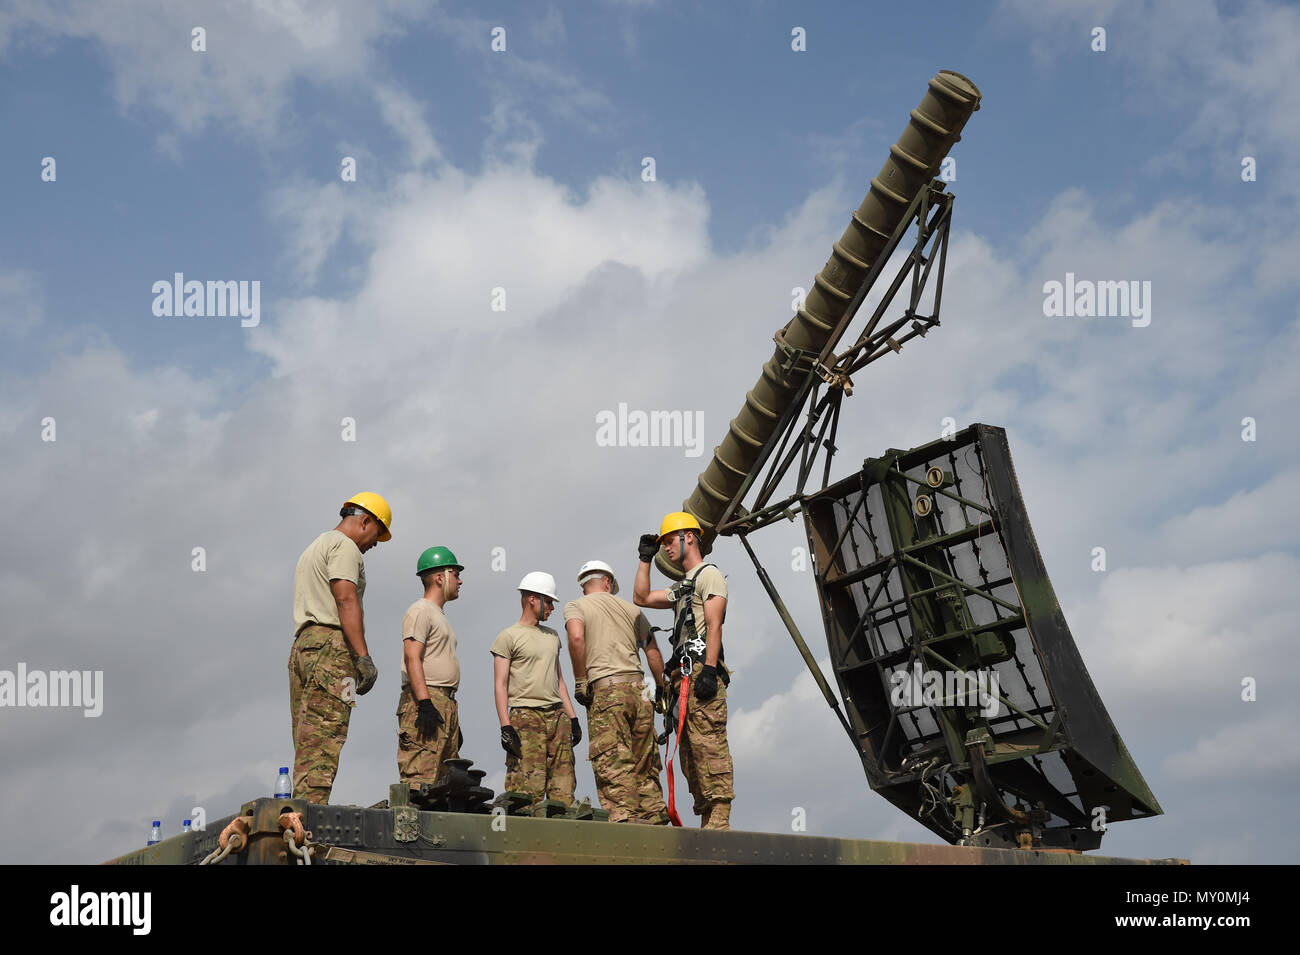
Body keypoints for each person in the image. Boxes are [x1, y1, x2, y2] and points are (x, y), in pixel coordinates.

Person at [288, 492, 392, 803]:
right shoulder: (346, 548)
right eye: (377, 535)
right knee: (326, 734)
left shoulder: (315, 546)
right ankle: (311, 813)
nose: (374, 544)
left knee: (308, 734)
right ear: (366, 521)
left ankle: (301, 804)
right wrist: (362, 657)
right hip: (332, 648)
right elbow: (345, 598)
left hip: (304, 646)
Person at [633, 512, 734, 830]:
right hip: (681, 678)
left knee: (709, 743)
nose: (666, 548)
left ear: (689, 536)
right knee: (690, 751)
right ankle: (706, 814)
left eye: (668, 541)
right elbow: (642, 597)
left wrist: (710, 670)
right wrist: (645, 560)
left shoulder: (709, 576)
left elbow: (714, 624)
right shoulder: (682, 586)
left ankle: (719, 816)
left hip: (702, 669)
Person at [564, 560, 668, 824]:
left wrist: (580, 681)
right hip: (641, 689)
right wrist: (663, 688)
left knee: (613, 757)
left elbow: (576, 638)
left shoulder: (577, 606)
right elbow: (651, 649)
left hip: (607, 689)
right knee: (644, 759)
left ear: (584, 584)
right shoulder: (632, 610)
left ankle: (624, 819)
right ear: (608, 583)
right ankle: (654, 817)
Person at [491, 572, 579, 806]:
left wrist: (572, 717)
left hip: (557, 717)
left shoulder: (553, 636)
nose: (551, 607)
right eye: (548, 601)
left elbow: (559, 680)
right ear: (532, 599)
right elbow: (500, 684)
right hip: (526, 717)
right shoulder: (508, 636)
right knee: (527, 789)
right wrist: (505, 725)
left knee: (564, 787)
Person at [396, 546, 464, 785]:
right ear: (439, 577)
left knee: (444, 784)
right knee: (420, 782)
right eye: (455, 574)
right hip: (426, 697)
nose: (460, 581)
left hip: (444, 701)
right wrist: (425, 703)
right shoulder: (420, 610)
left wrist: (449, 714)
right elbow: (412, 656)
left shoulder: (437, 613)